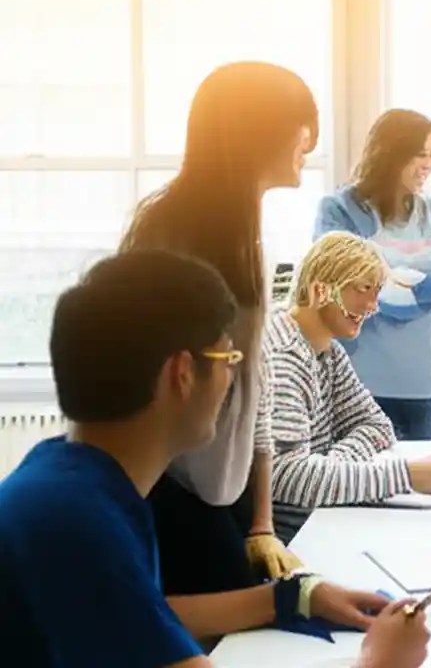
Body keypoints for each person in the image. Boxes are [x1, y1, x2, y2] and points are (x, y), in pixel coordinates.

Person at [0, 250, 430, 668]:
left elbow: (142, 613)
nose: (240, 381)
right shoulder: (79, 526)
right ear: (182, 374)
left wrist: (295, 597)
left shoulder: (63, 480)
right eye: (231, 359)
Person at [120, 61, 311, 595]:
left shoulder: (253, 242)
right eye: (301, 126)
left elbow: (258, 390)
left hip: (223, 499)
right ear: (260, 131)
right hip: (167, 492)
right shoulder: (167, 232)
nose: (308, 142)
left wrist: (262, 522)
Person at [268, 231, 431, 542]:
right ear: (320, 288)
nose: (374, 305)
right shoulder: (284, 355)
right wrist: (406, 476)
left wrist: (330, 467)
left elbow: (377, 427)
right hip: (297, 540)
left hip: (324, 520)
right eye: (363, 289)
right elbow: (288, 479)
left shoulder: (328, 351)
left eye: (377, 291)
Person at [315, 109, 431, 441]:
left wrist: (419, 289)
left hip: (423, 386)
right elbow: (333, 280)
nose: (428, 164)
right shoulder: (341, 210)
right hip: (358, 387)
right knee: (361, 487)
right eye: (420, 154)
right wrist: (388, 295)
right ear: (392, 153)